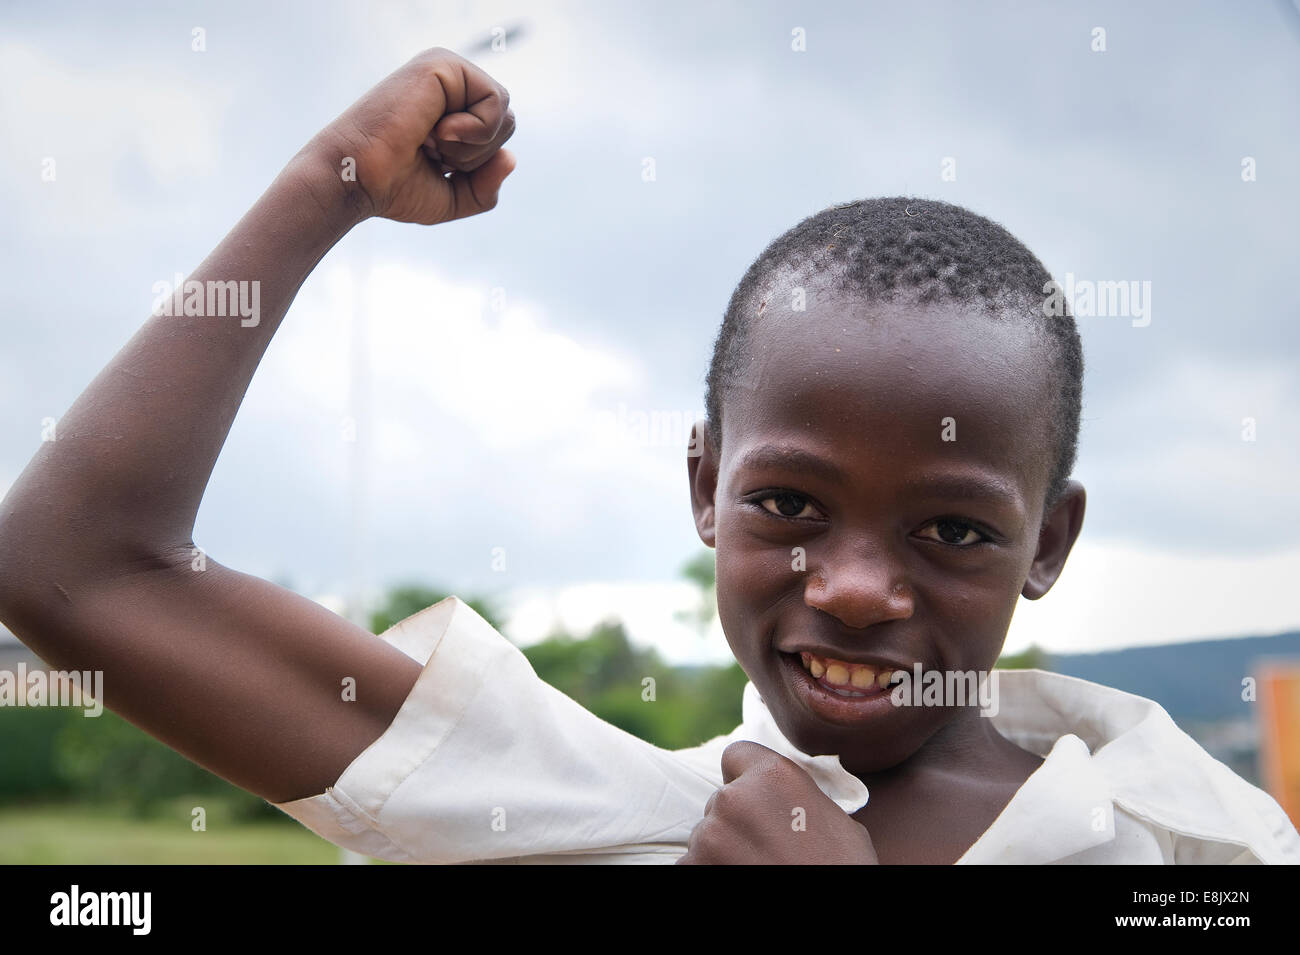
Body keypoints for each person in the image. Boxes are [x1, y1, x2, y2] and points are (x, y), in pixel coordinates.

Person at [0, 47, 1294, 865]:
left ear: (1050, 544)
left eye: (952, 530)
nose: (852, 587)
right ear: (700, 489)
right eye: (788, 501)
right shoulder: (569, 806)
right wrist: (324, 186)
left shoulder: (1190, 854)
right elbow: (78, 575)